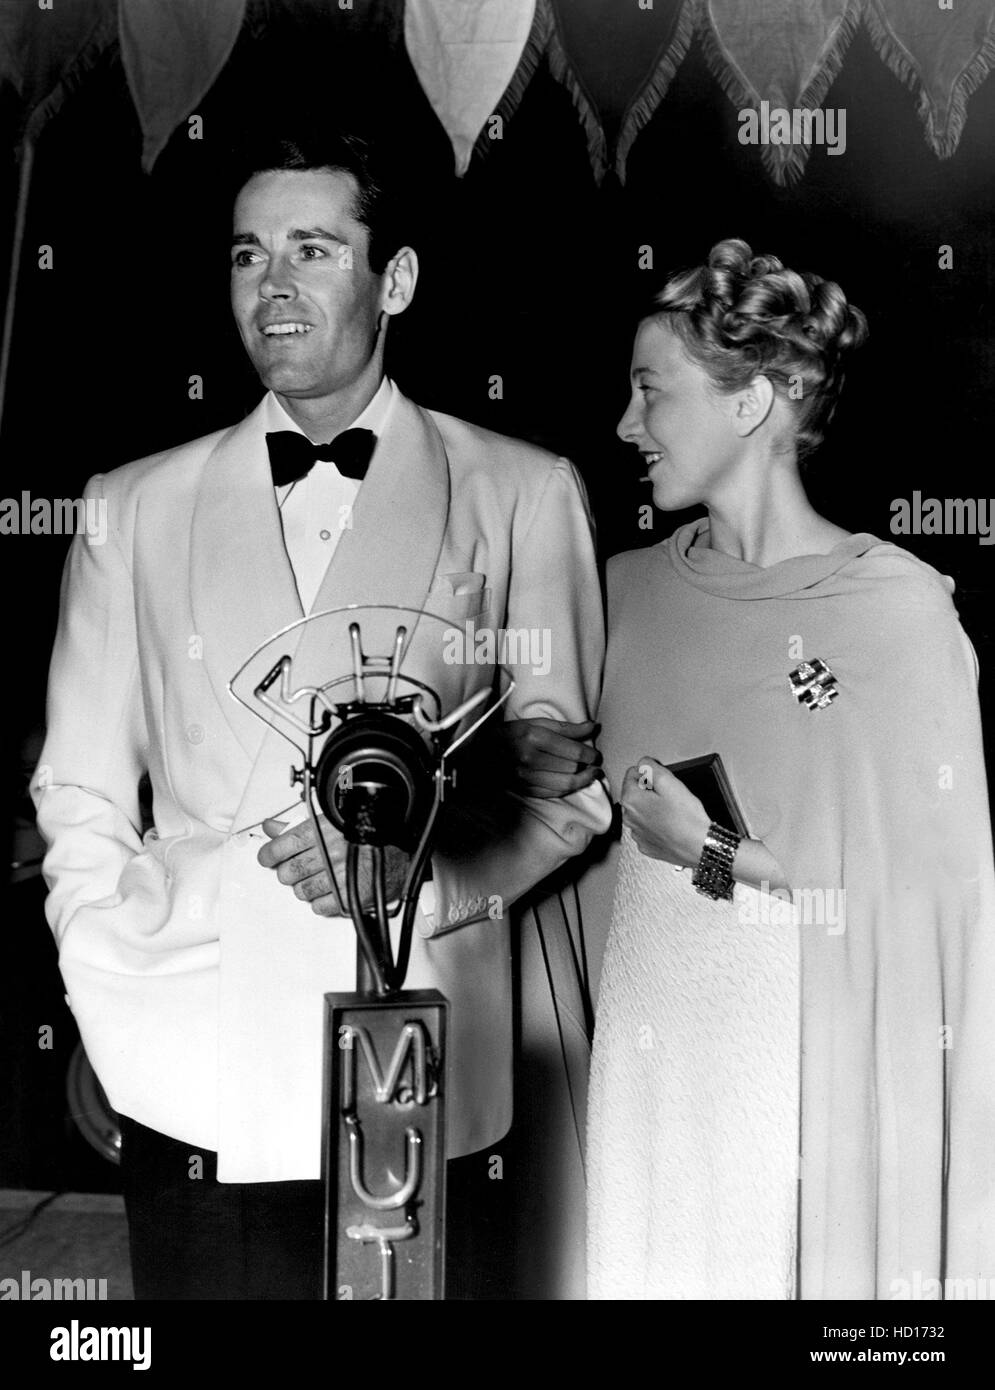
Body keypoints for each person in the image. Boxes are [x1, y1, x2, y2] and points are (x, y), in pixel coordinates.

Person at [30, 132, 610, 1300]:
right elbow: (79, 786)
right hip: (194, 1053)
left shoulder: (520, 490)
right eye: (248, 255)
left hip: (419, 1044)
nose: (273, 287)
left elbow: (565, 785)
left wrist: (418, 882)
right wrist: (104, 959)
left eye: (312, 249)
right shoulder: (130, 505)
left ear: (394, 280)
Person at [516, 238, 995, 1299]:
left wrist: (712, 855)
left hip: (807, 1115)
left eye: (650, 391)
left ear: (749, 403)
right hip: (648, 1097)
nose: (623, 425)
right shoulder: (620, 594)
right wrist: (522, 770)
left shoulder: (896, 614)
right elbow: (554, 870)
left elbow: (922, 928)